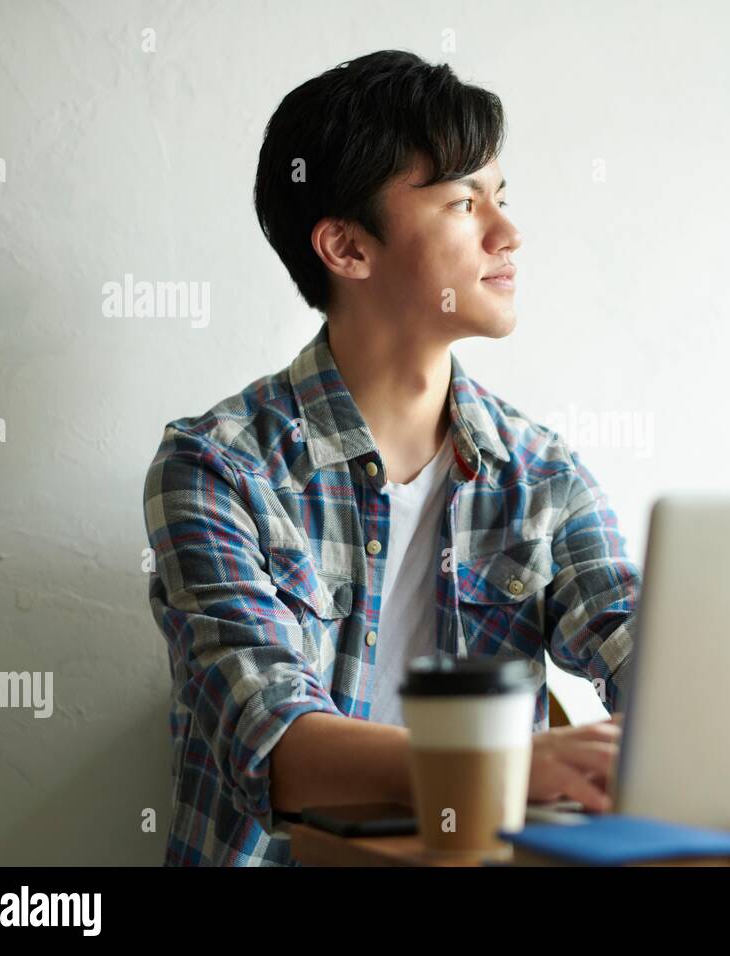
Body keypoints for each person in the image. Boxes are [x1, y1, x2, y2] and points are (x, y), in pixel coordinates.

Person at [142, 50, 636, 866]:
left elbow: (638, 642)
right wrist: (512, 771)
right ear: (347, 247)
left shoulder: (541, 473)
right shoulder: (215, 469)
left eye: (501, 199)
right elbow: (278, 747)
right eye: (462, 202)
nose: (508, 233)